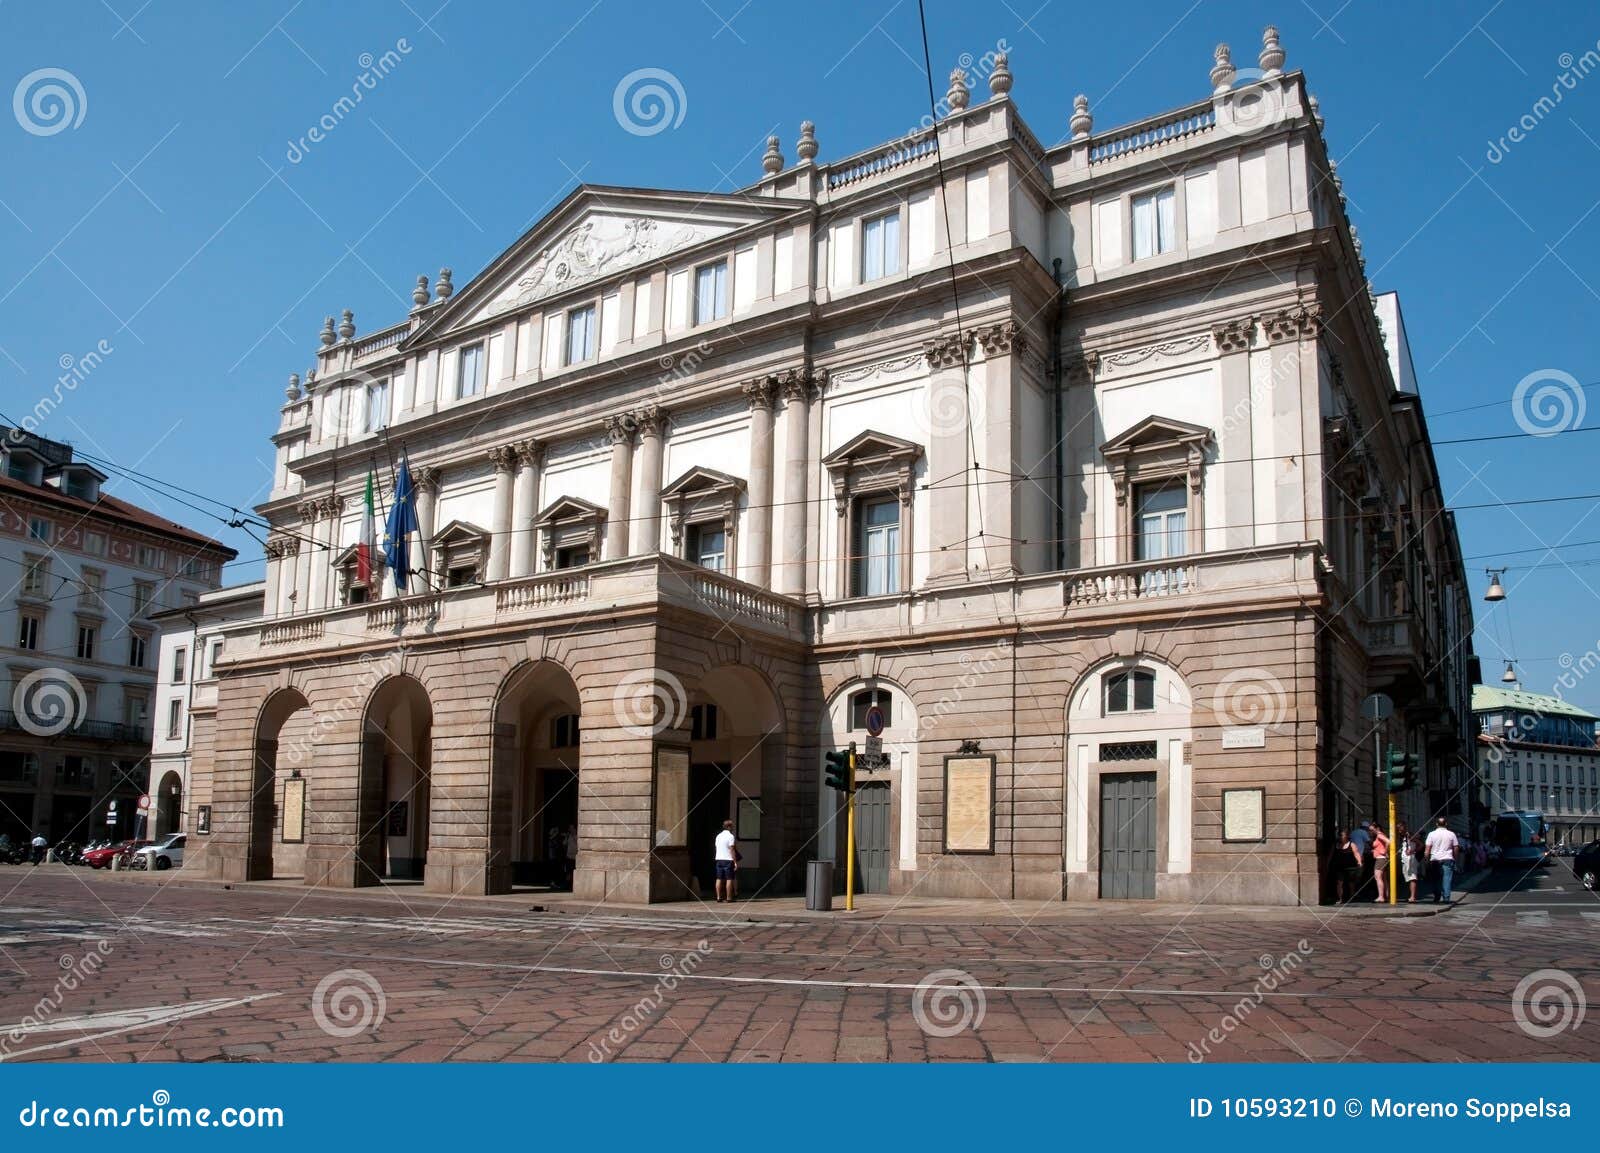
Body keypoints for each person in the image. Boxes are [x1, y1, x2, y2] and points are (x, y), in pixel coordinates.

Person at [1424, 817, 1460, 903]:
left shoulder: (1431, 834)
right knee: (1447, 879)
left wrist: (1426, 860)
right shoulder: (1451, 834)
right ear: (1446, 824)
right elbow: (1456, 847)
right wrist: (1455, 858)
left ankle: (1437, 896)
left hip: (1435, 859)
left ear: (1436, 824)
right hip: (1448, 858)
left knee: (1435, 879)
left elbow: (1427, 849)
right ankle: (1446, 898)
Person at [1327, 828, 1362, 903]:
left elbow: (1356, 853)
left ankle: (1352, 896)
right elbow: (1331, 855)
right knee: (1339, 882)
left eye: (1342, 835)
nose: (1341, 837)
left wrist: (1359, 862)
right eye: (1340, 835)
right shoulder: (1336, 845)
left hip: (1350, 866)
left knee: (1351, 883)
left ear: (1347, 836)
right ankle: (1340, 898)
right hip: (1339, 867)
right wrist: (1328, 863)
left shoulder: (1351, 844)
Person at [1397, 821, 1421, 903]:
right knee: (1408, 877)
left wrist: (1413, 851)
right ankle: (1411, 896)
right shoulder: (1404, 836)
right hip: (1405, 859)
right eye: (1398, 829)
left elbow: (1420, 844)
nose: (1399, 831)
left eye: (1400, 829)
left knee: (1412, 877)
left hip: (1410, 858)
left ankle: (1412, 897)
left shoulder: (1409, 835)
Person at [713, 819, 737, 903]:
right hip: (728, 860)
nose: (733, 827)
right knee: (729, 879)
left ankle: (718, 897)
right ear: (729, 827)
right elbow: (732, 849)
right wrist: (735, 861)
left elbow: (716, 847)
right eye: (732, 826)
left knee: (719, 878)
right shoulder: (730, 836)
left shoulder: (718, 836)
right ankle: (729, 898)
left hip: (719, 859)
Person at [1368, 820, 1390, 903]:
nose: (1370, 832)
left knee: (1378, 877)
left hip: (1380, 859)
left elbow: (1388, 841)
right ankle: (1386, 896)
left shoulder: (1379, 835)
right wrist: (1375, 850)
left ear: (1377, 828)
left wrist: (1385, 851)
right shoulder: (1380, 835)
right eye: (1370, 830)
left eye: (1372, 830)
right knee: (1384, 878)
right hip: (1382, 859)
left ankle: (1381, 897)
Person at [563, 823, 577, 891]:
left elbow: (578, 844)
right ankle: (567, 885)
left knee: (574, 871)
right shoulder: (568, 836)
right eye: (570, 828)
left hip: (575, 857)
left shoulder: (577, 836)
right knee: (568, 871)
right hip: (568, 856)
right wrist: (566, 837)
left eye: (572, 828)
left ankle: (573, 885)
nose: (570, 830)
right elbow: (564, 843)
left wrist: (574, 836)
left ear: (575, 829)